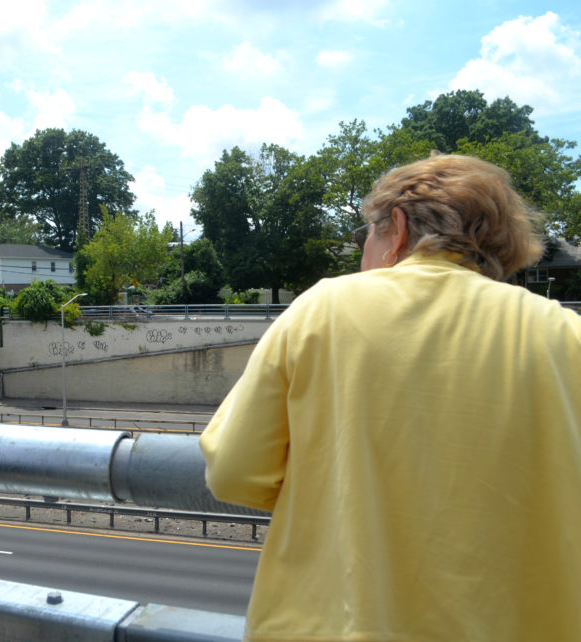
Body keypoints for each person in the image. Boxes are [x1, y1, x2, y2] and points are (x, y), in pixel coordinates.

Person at [200, 153, 581, 641]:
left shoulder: (324, 309)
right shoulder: (565, 333)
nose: (363, 253)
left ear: (397, 228)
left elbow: (234, 474)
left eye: (367, 236)